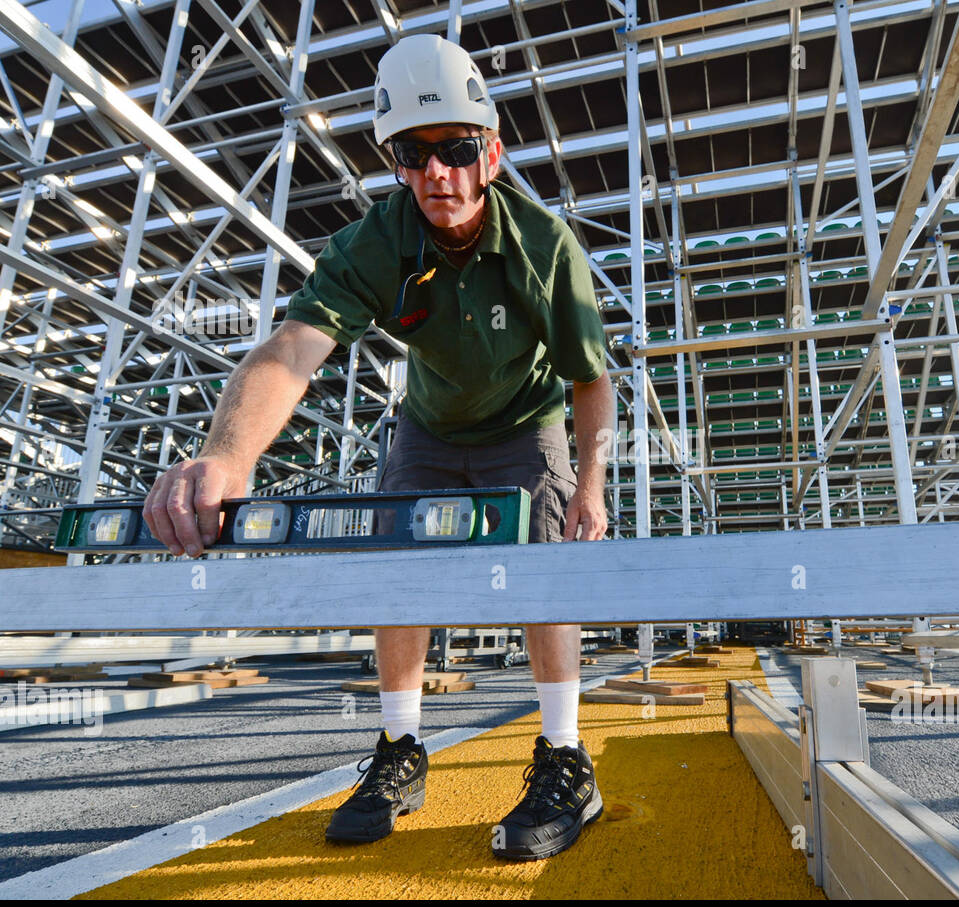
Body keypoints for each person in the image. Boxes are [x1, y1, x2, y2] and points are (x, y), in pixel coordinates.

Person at [142, 33, 613, 862]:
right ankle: (400, 749)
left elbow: (590, 380)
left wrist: (590, 484)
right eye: (414, 153)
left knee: (546, 558)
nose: (438, 173)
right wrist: (227, 456)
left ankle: (566, 755)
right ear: (396, 161)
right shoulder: (375, 243)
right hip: (429, 426)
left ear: (491, 154)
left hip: (526, 417)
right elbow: (291, 351)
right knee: (398, 562)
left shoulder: (545, 247)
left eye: (457, 149)